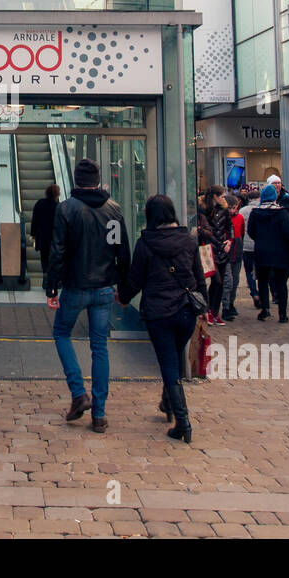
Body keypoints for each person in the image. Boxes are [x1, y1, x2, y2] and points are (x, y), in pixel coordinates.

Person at [44, 159, 131, 434]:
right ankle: (100, 415)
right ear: (97, 179)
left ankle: (78, 392)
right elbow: (121, 251)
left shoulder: (66, 209)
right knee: (99, 347)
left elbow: (57, 250)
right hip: (104, 288)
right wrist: (124, 288)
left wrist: (51, 286)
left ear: (77, 180)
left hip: (75, 286)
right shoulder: (114, 210)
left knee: (61, 333)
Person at [118, 195, 204, 443]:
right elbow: (198, 277)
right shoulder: (188, 241)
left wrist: (123, 297)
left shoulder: (145, 243)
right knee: (175, 358)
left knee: (168, 364)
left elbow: (136, 279)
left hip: (159, 312)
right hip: (186, 310)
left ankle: (183, 421)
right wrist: (204, 306)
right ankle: (168, 402)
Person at [247, 184, 289, 322]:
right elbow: (287, 232)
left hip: (261, 251)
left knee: (262, 281)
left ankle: (265, 309)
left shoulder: (255, 213)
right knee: (281, 283)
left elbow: (251, 231)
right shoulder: (282, 212)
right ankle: (282, 313)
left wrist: (260, 239)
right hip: (279, 251)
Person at [196, 187, 234, 324]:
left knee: (220, 282)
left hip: (222, 248)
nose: (223, 198)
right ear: (214, 196)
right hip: (209, 249)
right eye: (221, 196)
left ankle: (214, 311)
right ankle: (209, 310)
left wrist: (229, 241)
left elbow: (229, 227)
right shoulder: (202, 210)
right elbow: (204, 230)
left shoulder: (223, 210)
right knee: (216, 280)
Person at [237, 191, 259, 308]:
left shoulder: (243, 210)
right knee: (261, 272)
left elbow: (240, 229)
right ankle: (261, 294)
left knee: (249, 271)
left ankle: (254, 293)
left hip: (246, 245)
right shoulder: (261, 209)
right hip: (260, 245)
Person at [30, 184, 60, 272]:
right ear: (57, 194)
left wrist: (33, 234)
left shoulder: (40, 203)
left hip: (42, 238)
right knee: (54, 260)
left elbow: (34, 220)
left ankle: (46, 277)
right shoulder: (59, 206)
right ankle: (53, 280)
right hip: (54, 239)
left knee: (44, 259)